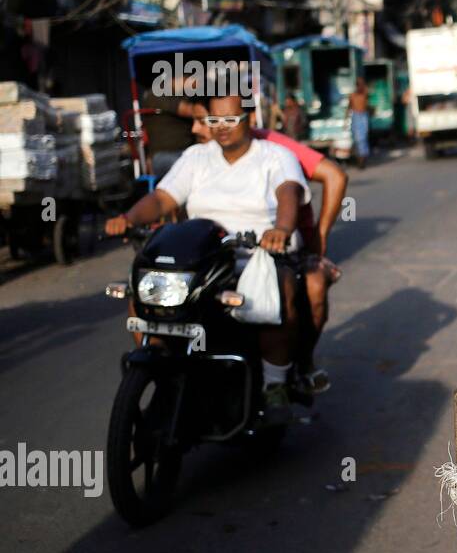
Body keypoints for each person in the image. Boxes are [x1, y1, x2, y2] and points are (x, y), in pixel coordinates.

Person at [105, 94, 310, 415]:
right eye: (214, 121)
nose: (222, 128)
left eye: (231, 120)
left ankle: (274, 384)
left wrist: (281, 229)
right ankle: (163, 367)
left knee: (278, 296)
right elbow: (162, 199)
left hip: (255, 255)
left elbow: (289, 193)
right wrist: (128, 219)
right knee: (143, 295)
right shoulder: (196, 157)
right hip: (204, 258)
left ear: (248, 119)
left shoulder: (275, 156)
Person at [187, 104, 348, 394]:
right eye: (203, 121)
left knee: (312, 288)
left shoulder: (270, 147)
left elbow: (334, 176)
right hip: (214, 254)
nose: (197, 129)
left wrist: (319, 237)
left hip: (281, 249)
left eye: (201, 122)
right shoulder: (196, 157)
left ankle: (298, 368)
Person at [348, 77, 370, 169]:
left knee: (363, 138)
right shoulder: (352, 95)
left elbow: (366, 92)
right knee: (357, 140)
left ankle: (363, 158)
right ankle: (359, 160)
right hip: (356, 117)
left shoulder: (364, 94)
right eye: (359, 84)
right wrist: (346, 121)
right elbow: (349, 107)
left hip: (363, 116)